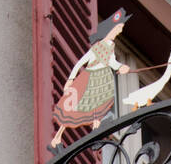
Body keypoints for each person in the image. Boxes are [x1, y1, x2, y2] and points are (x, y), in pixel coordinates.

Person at [49, 8, 131, 151]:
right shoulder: (98, 46)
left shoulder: (111, 46)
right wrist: (70, 79)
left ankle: (95, 128)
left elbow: (112, 62)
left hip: (102, 80)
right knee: (73, 107)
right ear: (113, 28)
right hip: (90, 79)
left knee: (98, 105)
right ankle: (57, 138)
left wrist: (121, 67)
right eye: (119, 28)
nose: (120, 31)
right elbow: (80, 63)